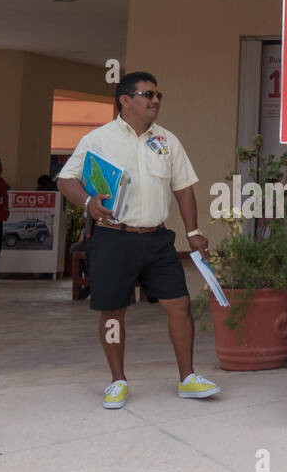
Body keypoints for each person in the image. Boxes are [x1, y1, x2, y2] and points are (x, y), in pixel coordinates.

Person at [57, 71, 220, 409]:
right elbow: (66, 180)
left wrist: (193, 232)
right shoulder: (98, 139)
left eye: (158, 95)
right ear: (125, 100)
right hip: (114, 238)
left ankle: (188, 378)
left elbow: (184, 188)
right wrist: (88, 203)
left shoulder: (167, 141)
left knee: (179, 304)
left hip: (157, 239)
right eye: (148, 94)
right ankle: (117, 381)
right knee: (114, 311)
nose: (155, 101)